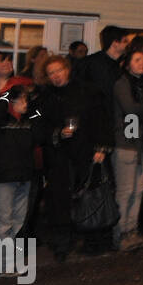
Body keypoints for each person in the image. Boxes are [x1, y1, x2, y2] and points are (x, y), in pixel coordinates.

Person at [33, 55, 114, 260]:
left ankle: (93, 241)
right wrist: (57, 133)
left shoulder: (88, 91)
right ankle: (62, 244)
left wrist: (102, 148)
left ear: (67, 69)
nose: (56, 76)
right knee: (59, 201)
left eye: (58, 70)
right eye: (51, 73)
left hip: (86, 153)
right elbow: (37, 126)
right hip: (59, 157)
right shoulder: (44, 98)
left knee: (89, 196)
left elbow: (102, 120)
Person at [111, 47, 143, 252]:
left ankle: (132, 229)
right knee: (125, 191)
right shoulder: (122, 83)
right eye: (137, 60)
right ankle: (121, 232)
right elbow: (131, 109)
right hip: (127, 143)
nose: (142, 64)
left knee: (139, 191)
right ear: (127, 63)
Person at [0, 77, 38, 247]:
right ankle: (2, 265)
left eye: (26, 98)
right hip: (4, 177)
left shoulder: (29, 120)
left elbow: (42, 123)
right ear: (12, 101)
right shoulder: (0, 120)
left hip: (24, 176)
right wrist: (7, 93)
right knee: (2, 223)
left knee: (18, 221)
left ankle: (9, 258)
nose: (26, 102)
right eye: (22, 98)